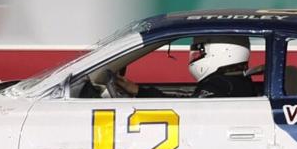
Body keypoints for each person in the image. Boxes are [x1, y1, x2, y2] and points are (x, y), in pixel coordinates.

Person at [110, 36, 257, 98]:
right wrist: (138, 90)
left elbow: (186, 108)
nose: (195, 56)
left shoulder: (219, 85)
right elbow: (187, 100)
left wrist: (140, 92)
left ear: (223, 51)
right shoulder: (234, 82)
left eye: (200, 51)